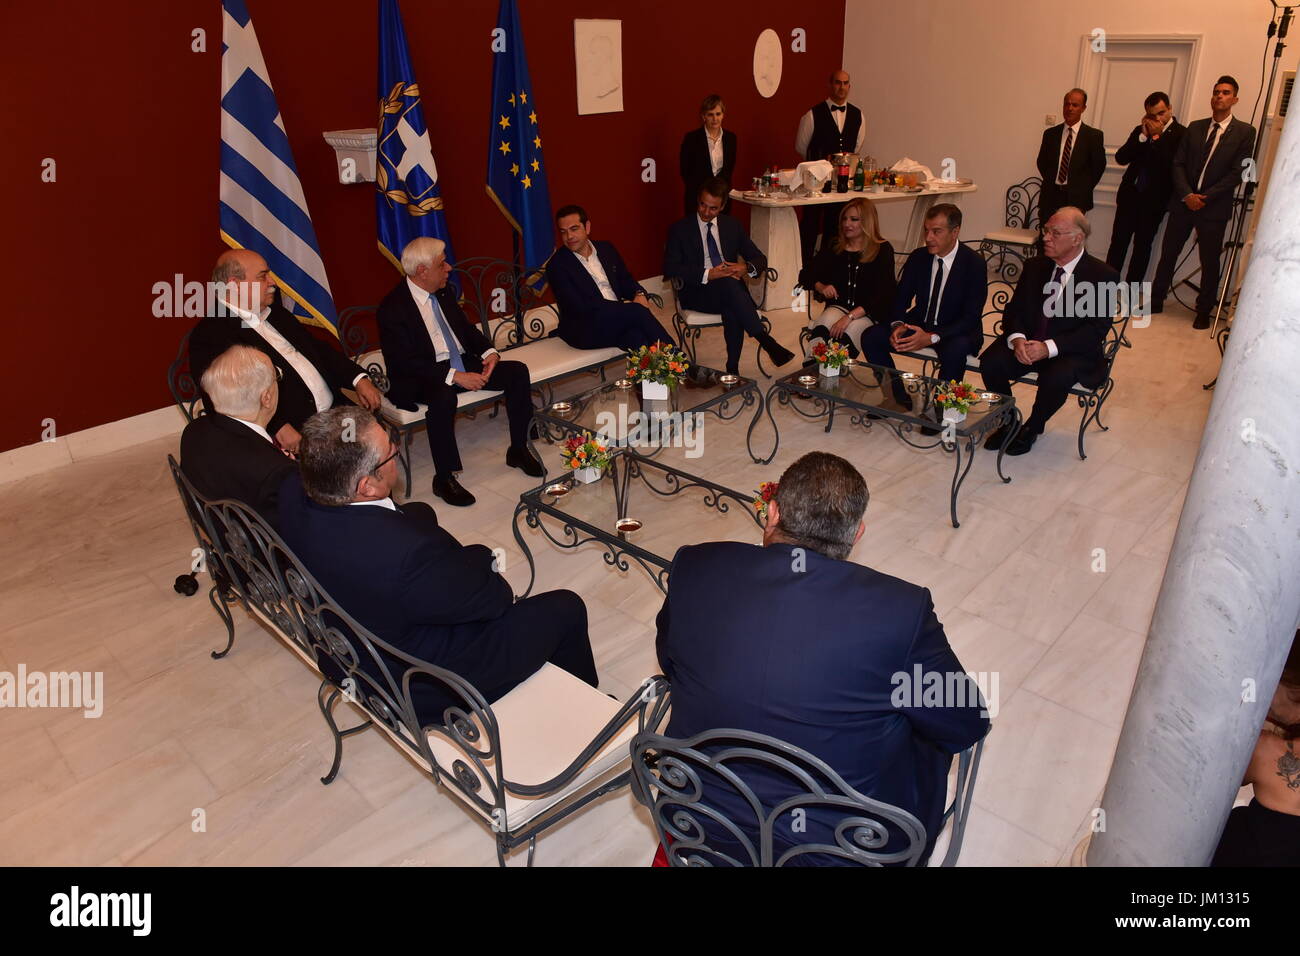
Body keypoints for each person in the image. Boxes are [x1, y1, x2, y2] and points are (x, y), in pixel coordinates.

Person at [655, 451, 990, 865]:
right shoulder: (901, 610)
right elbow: (966, 722)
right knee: (923, 731)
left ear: (772, 513)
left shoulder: (696, 564)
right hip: (836, 851)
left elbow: (669, 662)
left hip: (700, 818)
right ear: (856, 534)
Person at [277, 407, 598, 726]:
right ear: (367, 486)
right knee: (565, 608)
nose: (396, 451)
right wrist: (479, 555)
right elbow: (495, 598)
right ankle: (587, 718)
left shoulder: (293, 492)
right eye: (391, 453)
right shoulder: (406, 556)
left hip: (346, 650)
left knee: (418, 513)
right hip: (417, 684)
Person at [376, 237, 543, 508]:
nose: (449, 268)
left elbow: (465, 331)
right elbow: (404, 362)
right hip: (421, 376)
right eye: (442, 264)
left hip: (459, 363)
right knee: (443, 398)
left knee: (516, 372)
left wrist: (490, 353)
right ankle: (444, 478)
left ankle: (519, 448)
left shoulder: (443, 292)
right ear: (422, 271)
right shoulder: (392, 308)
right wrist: (454, 376)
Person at [188, 248, 383, 455]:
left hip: (334, 412)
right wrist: (278, 427)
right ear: (235, 285)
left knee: (378, 451)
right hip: (292, 433)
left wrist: (358, 378)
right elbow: (223, 402)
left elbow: (318, 350)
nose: (273, 282)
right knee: (355, 469)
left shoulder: (277, 314)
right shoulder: (211, 334)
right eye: (263, 276)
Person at [979, 207, 1120, 456]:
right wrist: (1018, 339)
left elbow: (1095, 330)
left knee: (1056, 377)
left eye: (1055, 233)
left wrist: (1048, 348)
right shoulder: (1035, 266)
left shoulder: (1103, 276)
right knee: (991, 362)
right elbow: (1015, 310)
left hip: (1070, 350)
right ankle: (1009, 419)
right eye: (1046, 230)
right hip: (1030, 342)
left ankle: (1033, 426)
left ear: (1078, 238)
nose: (1046, 238)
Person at [1150, 76, 1257, 329]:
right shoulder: (1195, 128)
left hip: (1214, 207)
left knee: (1210, 261)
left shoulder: (1245, 132)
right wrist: (1188, 195)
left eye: (1226, 92)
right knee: (1168, 254)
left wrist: (1205, 197)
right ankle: (1155, 300)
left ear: (1235, 99)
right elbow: (1178, 163)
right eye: (1216, 91)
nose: (1219, 96)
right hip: (1183, 203)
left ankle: (1203, 309)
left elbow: (1238, 172)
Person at [860, 203, 987, 414]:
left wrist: (932, 337)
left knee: (955, 352)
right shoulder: (919, 257)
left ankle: (942, 410)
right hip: (921, 322)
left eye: (936, 231)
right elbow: (901, 298)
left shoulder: (973, 263)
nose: (928, 237)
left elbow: (971, 317)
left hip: (957, 329)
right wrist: (898, 324)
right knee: (872, 336)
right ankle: (896, 397)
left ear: (955, 232)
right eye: (926, 230)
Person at [663, 177, 796, 375]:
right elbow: (670, 268)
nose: (706, 212)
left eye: (713, 208)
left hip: (729, 293)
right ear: (698, 200)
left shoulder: (732, 226)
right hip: (697, 292)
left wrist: (745, 267)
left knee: (731, 300)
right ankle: (766, 342)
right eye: (702, 205)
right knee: (729, 288)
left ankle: (732, 370)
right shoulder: (680, 229)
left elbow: (760, 258)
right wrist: (709, 273)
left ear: (723, 207)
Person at [180, 345, 296, 527]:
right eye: (276, 376)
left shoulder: (193, 431)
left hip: (226, 538)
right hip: (268, 550)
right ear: (266, 398)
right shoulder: (276, 470)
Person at [1212, 632, 1300, 866]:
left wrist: (1249, 722)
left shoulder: (1268, 750)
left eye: (1272, 681)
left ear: (1295, 692)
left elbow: (1210, 780)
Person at [547, 204, 674, 351]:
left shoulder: (606, 249)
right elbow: (579, 307)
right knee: (638, 312)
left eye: (574, 229)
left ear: (587, 227)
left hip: (618, 318)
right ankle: (682, 362)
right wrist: (627, 309)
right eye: (563, 232)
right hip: (585, 328)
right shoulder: (557, 266)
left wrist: (639, 294)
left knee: (637, 338)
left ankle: (669, 370)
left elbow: (626, 280)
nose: (569, 237)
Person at [798, 197, 896, 360]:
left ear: (867, 221)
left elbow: (884, 295)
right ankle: (810, 376)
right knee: (822, 329)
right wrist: (821, 286)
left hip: (869, 313)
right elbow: (805, 274)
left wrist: (848, 318)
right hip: (839, 307)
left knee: (846, 337)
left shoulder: (882, 249)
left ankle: (831, 378)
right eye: (844, 218)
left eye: (854, 219)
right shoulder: (835, 246)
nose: (847, 224)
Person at [1106, 92, 1186, 283]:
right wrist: (1142, 136)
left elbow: (1171, 165)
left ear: (1170, 109)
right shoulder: (1140, 130)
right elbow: (1121, 158)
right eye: (1152, 115)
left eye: (1161, 113)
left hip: (1154, 204)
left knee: (1142, 247)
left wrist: (1157, 137)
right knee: (1118, 244)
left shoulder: (1182, 134)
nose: (1157, 119)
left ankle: (1130, 293)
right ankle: (1106, 291)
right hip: (1129, 198)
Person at [795, 70, 867, 264]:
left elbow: (856, 147)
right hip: (816, 183)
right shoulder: (812, 114)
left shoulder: (858, 115)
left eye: (845, 83)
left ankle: (829, 269)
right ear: (830, 85)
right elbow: (802, 147)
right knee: (810, 226)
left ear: (849, 86)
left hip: (842, 184)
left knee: (836, 227)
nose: (841, 87)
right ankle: (803, 268)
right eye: (837, 83)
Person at [1035, 89, 1106, 226]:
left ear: (1083, 108)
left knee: (1070, 242)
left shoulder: (1094, 136)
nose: (1070, 108)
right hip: (1051, 196)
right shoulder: (1050, 134)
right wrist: (1052, 181)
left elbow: (1098, 167)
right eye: (1066, 104)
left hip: (1077, 199)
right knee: (1046, 240)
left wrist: (1083, 189)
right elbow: (1041, 162)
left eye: (1075, 105)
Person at [679, 94, 737, 219]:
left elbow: (728, 170)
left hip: (722, 199)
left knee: (721, 234)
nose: (715, 119)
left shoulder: (731, 139)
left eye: (718, 114)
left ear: (723, 115)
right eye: (710, 114)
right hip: (698, 199)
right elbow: (685, 171)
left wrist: (721, 192)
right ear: (703, 116)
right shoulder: (691, 139)